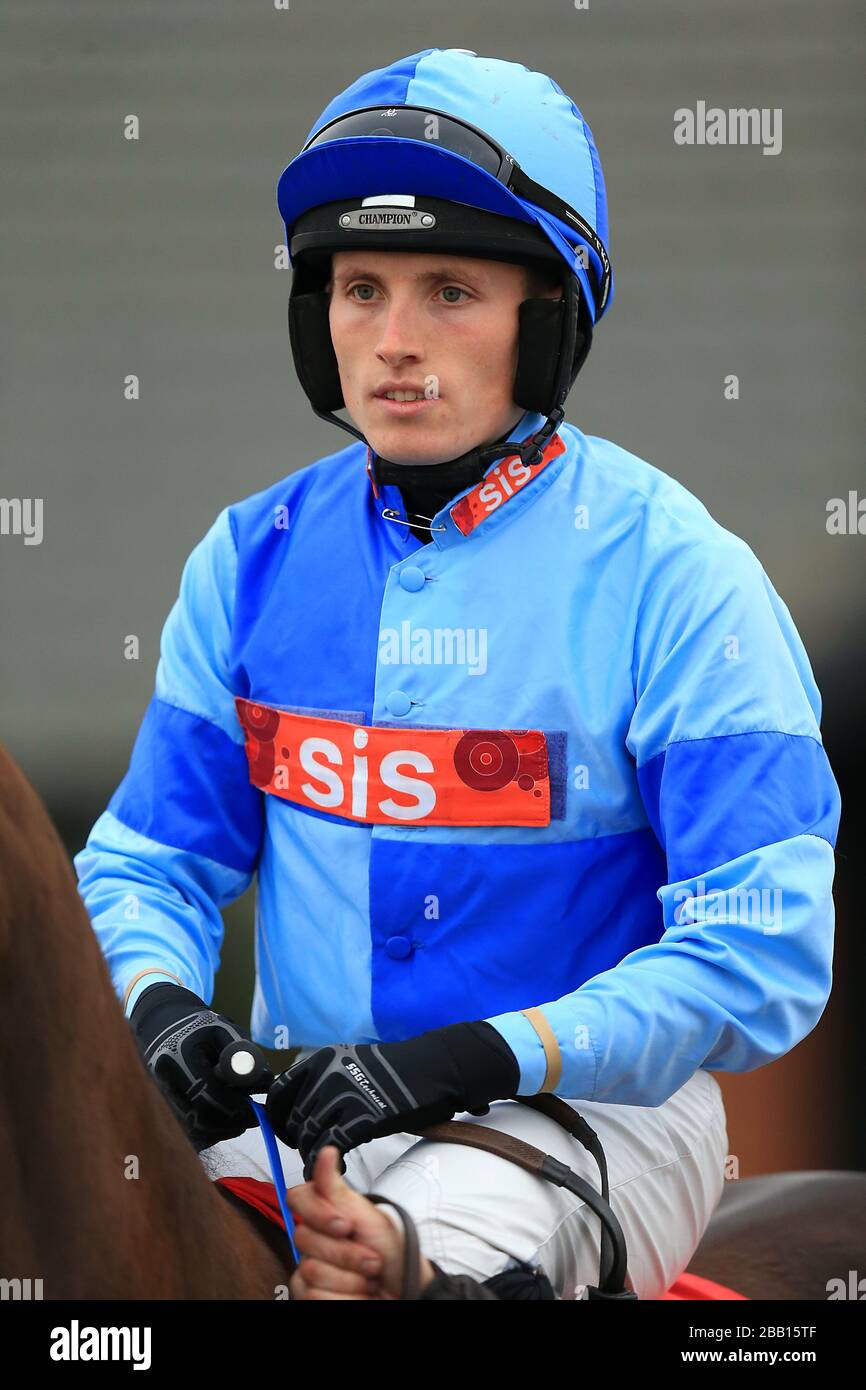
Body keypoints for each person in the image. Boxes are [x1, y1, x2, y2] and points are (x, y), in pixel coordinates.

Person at [74, 48, 841, 1300]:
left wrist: (468, 1056)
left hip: (590, 1116)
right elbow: (147, 864)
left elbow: (766, 946)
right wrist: (162, 1007)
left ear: (548, 320)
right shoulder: (246, 560)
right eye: (359, 288)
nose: (391, 344)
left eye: (448, 294)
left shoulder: (684, 579)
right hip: (294, 1109)